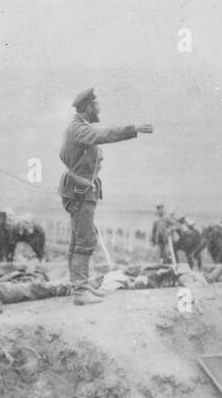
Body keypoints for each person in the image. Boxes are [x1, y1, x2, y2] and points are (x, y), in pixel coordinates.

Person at [58, 88, 153, 305]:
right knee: (85, 239)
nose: (99, 109)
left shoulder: (79, 128)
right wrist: (132, 129)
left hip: (81, 189)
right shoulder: (79, 129)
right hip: (79, 192)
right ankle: (80, 291)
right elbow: (103, 135)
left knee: (79, 238)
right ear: (88, 108)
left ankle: (80, 285)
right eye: (97, 106)